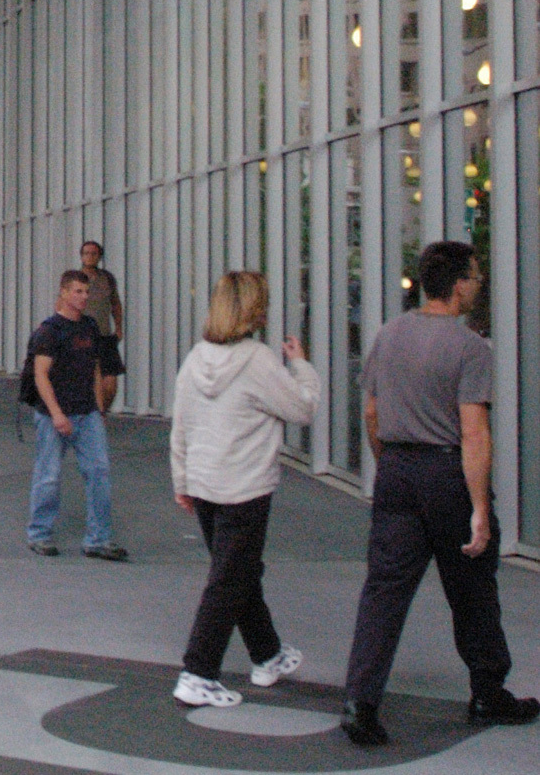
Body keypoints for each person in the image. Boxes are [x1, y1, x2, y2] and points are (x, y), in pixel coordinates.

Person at [339, 240, 537, 746]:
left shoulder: (388, 335)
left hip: (398, 470)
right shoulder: (469, 347)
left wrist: (391, 469)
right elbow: (474, 434)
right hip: (447, 474)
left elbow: (372, 415)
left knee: (384, 589)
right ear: (457, 284)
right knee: (472, 588)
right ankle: (489, 691)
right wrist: (479, 511)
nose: (478, 284)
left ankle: (361, 701)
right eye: (475, 276)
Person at [168, 271, 319, 709]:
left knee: (239, 574)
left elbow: (182, 423)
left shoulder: (196, 357)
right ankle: (198, 672)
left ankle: (267, 655)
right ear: (254, 310)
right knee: (229, 579)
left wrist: (182, 480)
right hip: (246, 487)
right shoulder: (257, 360)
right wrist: (302, 366)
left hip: (205, 484)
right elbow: (302, 408)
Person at [23, 270, 126, 560]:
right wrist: (56, 414)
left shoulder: (90, 327)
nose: (83, 297)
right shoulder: (49, 331)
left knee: (99, 472)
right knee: (49, 476)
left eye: (86, 292)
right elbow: (41, 375)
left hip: (87, 413)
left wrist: (99, 407)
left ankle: (98, 539)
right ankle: (39, 534)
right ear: (64, 293)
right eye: (78, 292)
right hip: (53, 416)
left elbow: (94, 368)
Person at [80, 239, 125, 408]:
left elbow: (115, 303)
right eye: (86, 253)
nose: (89, 257)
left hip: (105, 336)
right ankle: (92, 415)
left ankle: (102, 411)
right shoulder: (76, 279)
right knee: (89, 380)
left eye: (93, 253)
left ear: (99, 257)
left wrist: (119, 327)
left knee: (110, 383)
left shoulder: (107, 278)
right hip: (83, 336)